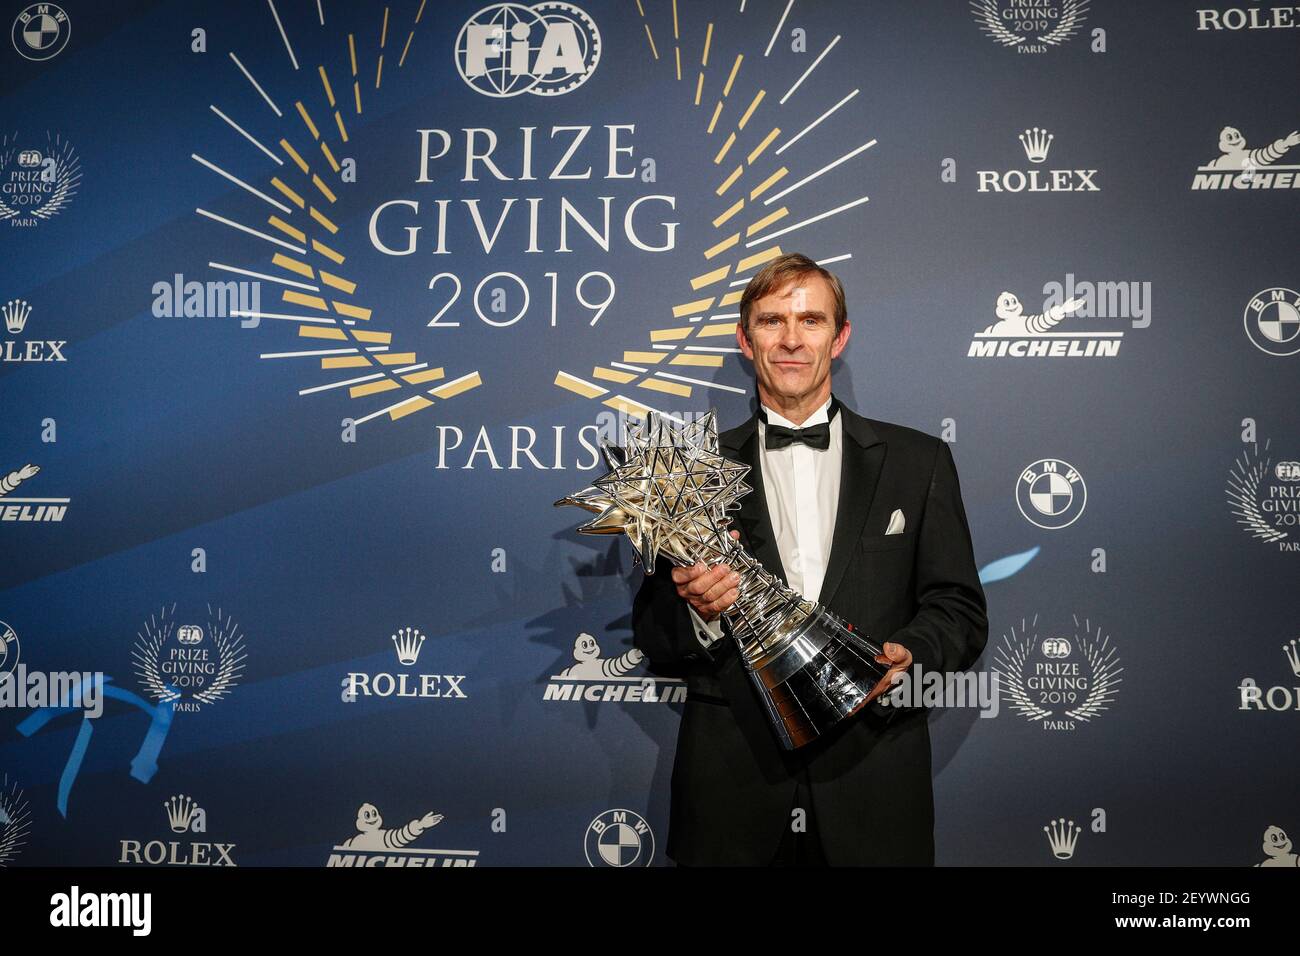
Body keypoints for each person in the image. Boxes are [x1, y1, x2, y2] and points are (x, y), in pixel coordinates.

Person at [631, 253, 988, 866]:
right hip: (732, 790)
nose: (791, 340)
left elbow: (958, 609)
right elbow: (654, 631)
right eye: (772, 321)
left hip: (873, 781)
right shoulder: (689, 474)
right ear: (746, 340)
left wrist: (912, 654)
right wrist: (698, 611)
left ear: (839, 336)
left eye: (811, 321)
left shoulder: (917, 462)